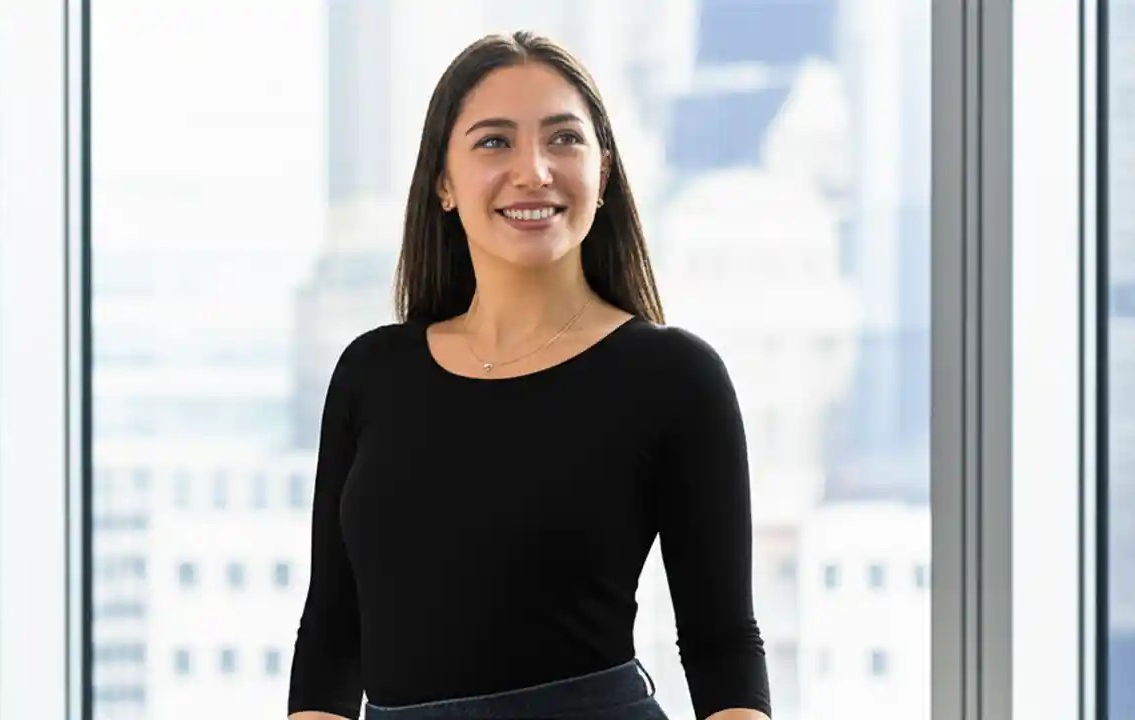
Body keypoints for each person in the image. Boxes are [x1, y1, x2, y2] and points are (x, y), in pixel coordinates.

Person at [286, 30, 772, 720]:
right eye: (494, 142)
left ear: (603, 171)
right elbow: (332, 635)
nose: (534, 170)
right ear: (444, 182)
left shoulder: (674, 377)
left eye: (563, 139)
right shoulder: (373, 372)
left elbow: (723, 645)